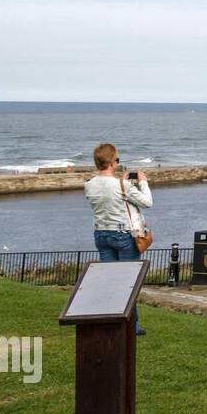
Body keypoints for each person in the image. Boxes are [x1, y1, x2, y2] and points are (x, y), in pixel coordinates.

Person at [83, 142, 152, 335]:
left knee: (110, 281)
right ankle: (133, 326)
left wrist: (123, 184)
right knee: (129, 282)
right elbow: (147, 202)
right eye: (117, 160)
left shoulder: (89, 185)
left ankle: (111, 319)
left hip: (101, 234)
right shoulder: (122, 185)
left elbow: (105, 198)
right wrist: (143, 182)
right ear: (113, 162)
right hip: (122, 235)